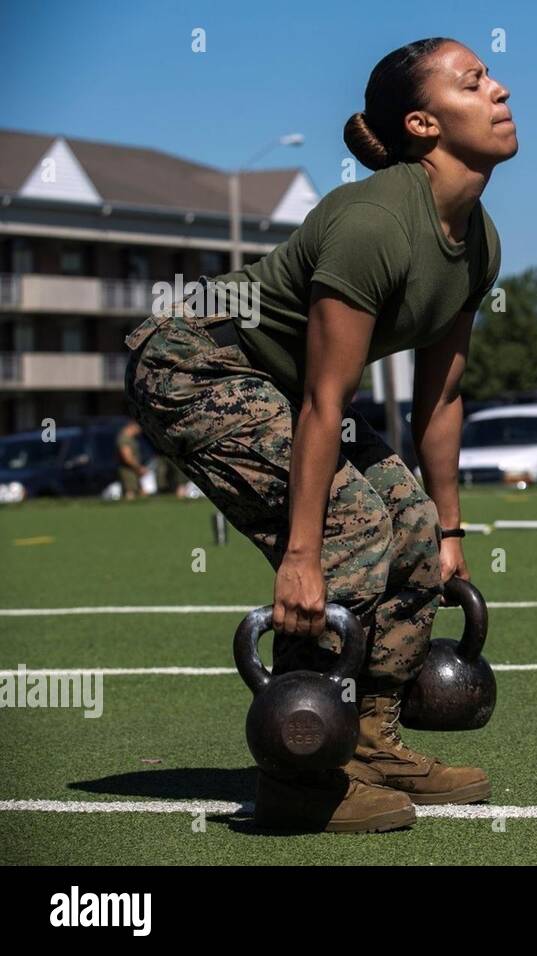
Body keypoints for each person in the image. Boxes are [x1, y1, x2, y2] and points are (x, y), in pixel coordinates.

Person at [123, 36, 516, 832]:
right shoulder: (373, 222)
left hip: (283, 384)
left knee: (405, 527)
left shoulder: (478, 239)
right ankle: (298, 776)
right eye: (474, 82)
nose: (500, 89)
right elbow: (324, 401)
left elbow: (442, 400)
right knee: (350, 529)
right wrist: (302, 558)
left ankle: (367, 741)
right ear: (423, 123)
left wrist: (448, 528)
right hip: (197, 362)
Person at [115, 421, 148, 500]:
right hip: (128, 471)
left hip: (133, 470)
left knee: (139, 493)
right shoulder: (124, 439)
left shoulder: (131, 439)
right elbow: (127, 457)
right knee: (130, 493)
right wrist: (139, 468)